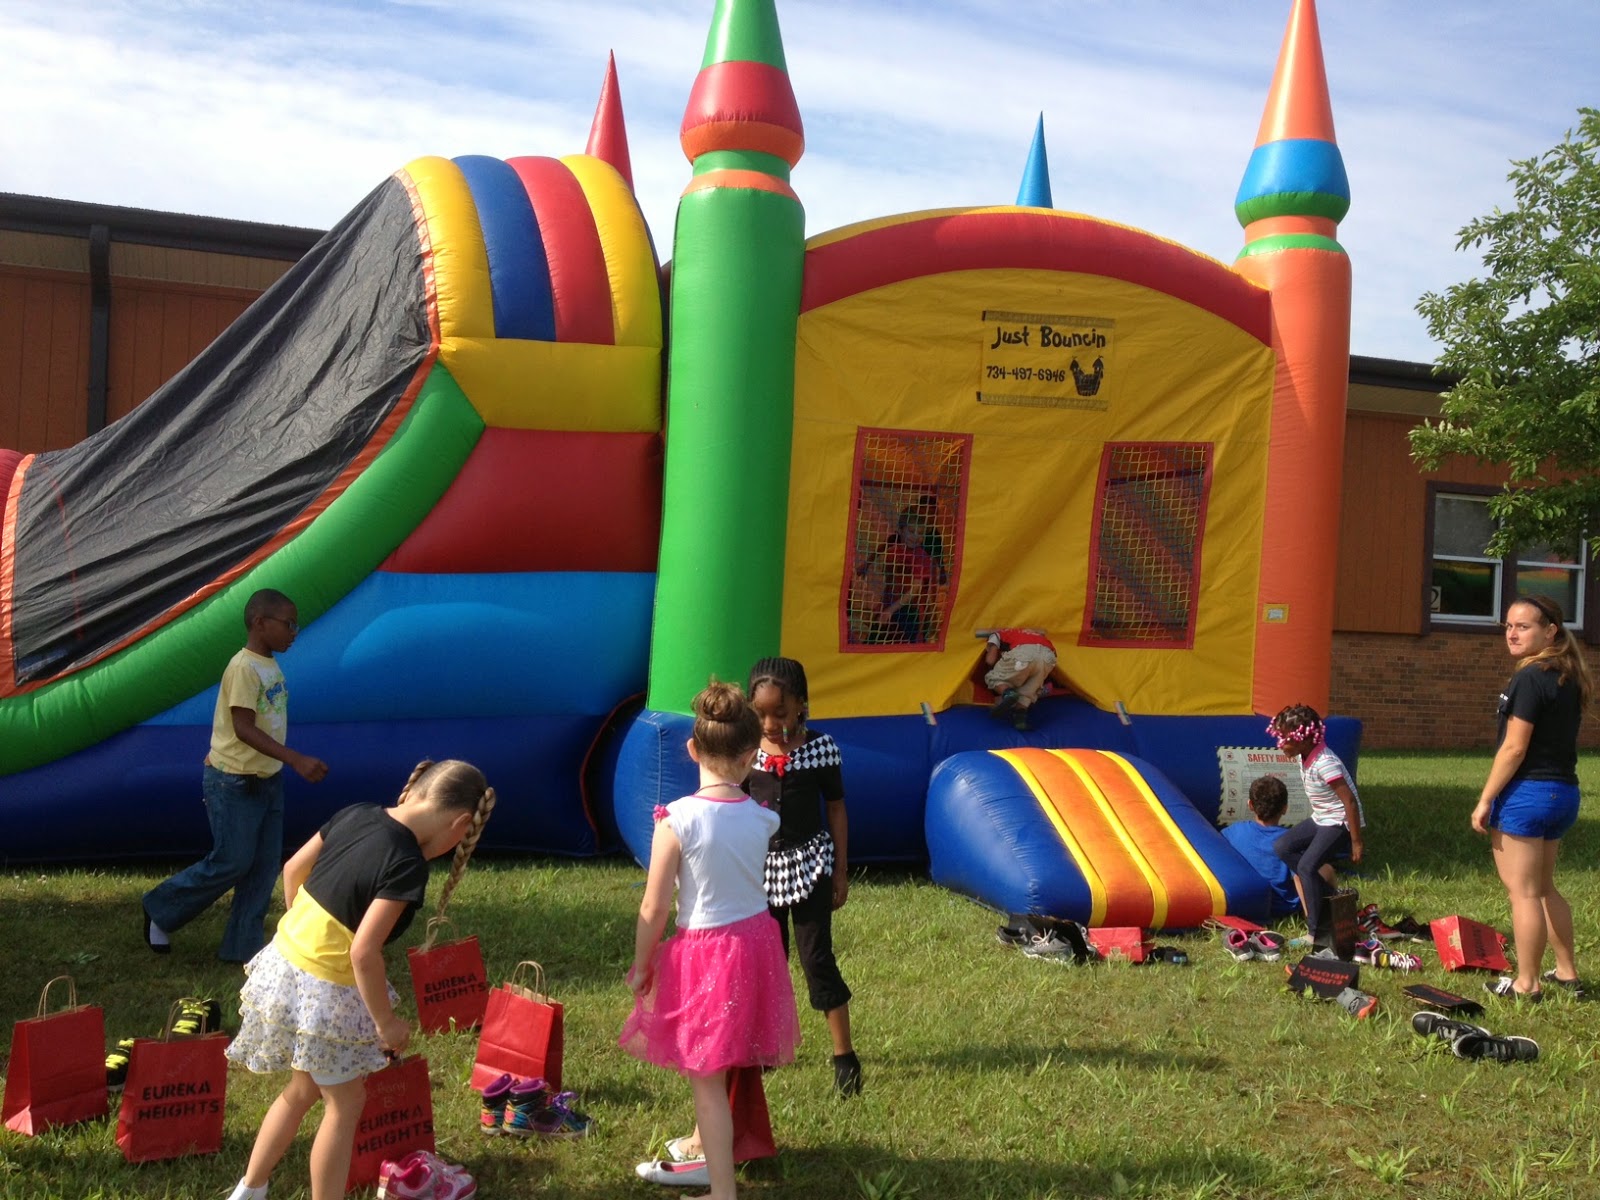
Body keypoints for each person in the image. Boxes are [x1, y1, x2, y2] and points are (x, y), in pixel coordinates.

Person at [221, 759, 496, 1200]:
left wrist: (304, 937)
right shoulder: (407, 864)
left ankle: (249, 1190)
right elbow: (363, 952)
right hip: (325, 990)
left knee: (302, 1089)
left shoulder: (358, 811)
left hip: (284, 963)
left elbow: (293, 869)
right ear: (461, 823)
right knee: (345, 1104)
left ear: (414, 790)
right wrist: (387, 1025)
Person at [620, 682, 801, 1200]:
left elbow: (654, 907)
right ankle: (714, 1163)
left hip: (704, 956)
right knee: (719, 1068)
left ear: (692, 749)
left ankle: (722, 1191)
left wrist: (641, 965)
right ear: (750, 756)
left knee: (706, 1082)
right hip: (755, 948)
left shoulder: (675, 820)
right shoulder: (765, 819)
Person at [143, 588, 329, 963]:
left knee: (262, 867)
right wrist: (295, 759)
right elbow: (243, 727)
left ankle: (242, 947)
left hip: (266, 779)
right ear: (260, 623)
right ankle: (161, 907)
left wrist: (281, 765)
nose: (295, 632)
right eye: (288, 624)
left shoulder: (269, 665)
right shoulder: (243, 667)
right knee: (232, 860)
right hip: (233, 782)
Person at [1472, 594, 1591, 1001]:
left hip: (1527, 794)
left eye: (1524, 626)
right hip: (1563, 793)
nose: (1512, 633)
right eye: (1508, 626)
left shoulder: (1530, 676)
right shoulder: (1566, 674)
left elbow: (1514, 748)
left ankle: (1527, 983)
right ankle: (1567, 973)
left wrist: (1486, 798)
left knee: (1523, 893)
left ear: (1550, 631)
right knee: (1543, 887)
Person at [1268, 703, 1364, 944]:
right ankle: (1332, 897)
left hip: (1339, 822)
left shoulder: (1325, 762)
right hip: (1322, 817)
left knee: (1307, 867)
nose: (1280, 744)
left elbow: (1349, 802)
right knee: (1283, 847)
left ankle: (1315, 933)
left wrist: (1356, 841)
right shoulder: (1305, 754)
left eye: (1285, 739)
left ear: (1305, 739)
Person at [1221, 775, 1334, 918]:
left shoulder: (1231, 833)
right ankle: (1336, 902)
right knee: (1327, 869)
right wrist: (1311, 920)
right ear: (1285, 808)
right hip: (1283, 908)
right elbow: (1302, 877)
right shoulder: (1292, 841)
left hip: (1245, 903)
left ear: (1250, 805)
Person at [983, 627, 1057, 731]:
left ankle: (1008, 693)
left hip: (1024, 653)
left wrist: (991, 649)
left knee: (993, 677)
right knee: (1028, 691)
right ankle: (1020, 721)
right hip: (1049, 657)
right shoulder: (1033, 633)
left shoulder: (998, 634)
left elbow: (990, 660)